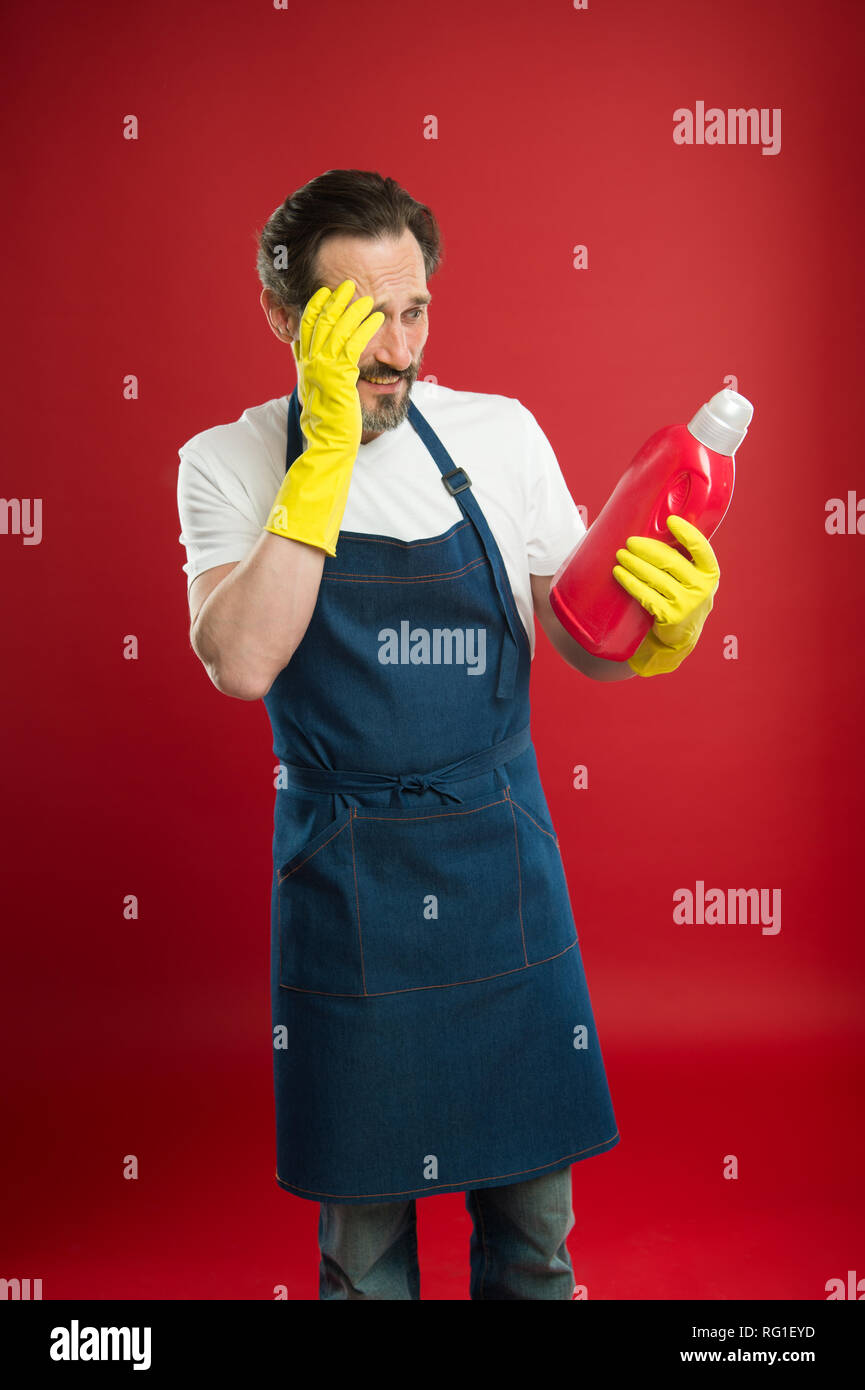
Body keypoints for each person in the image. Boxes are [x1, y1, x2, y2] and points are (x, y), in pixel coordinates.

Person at [176, 169, 720, 1300]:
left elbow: (579, 631)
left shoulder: (499, 436)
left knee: (534, 1238)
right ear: (283, 318)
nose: (394, 346)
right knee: (364, 1257)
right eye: (355, 317)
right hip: (348, 881)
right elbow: (242, 660)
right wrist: (323, 452)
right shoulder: (225, 461)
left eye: (413, 309)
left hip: (499, 871)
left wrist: (660, 633)